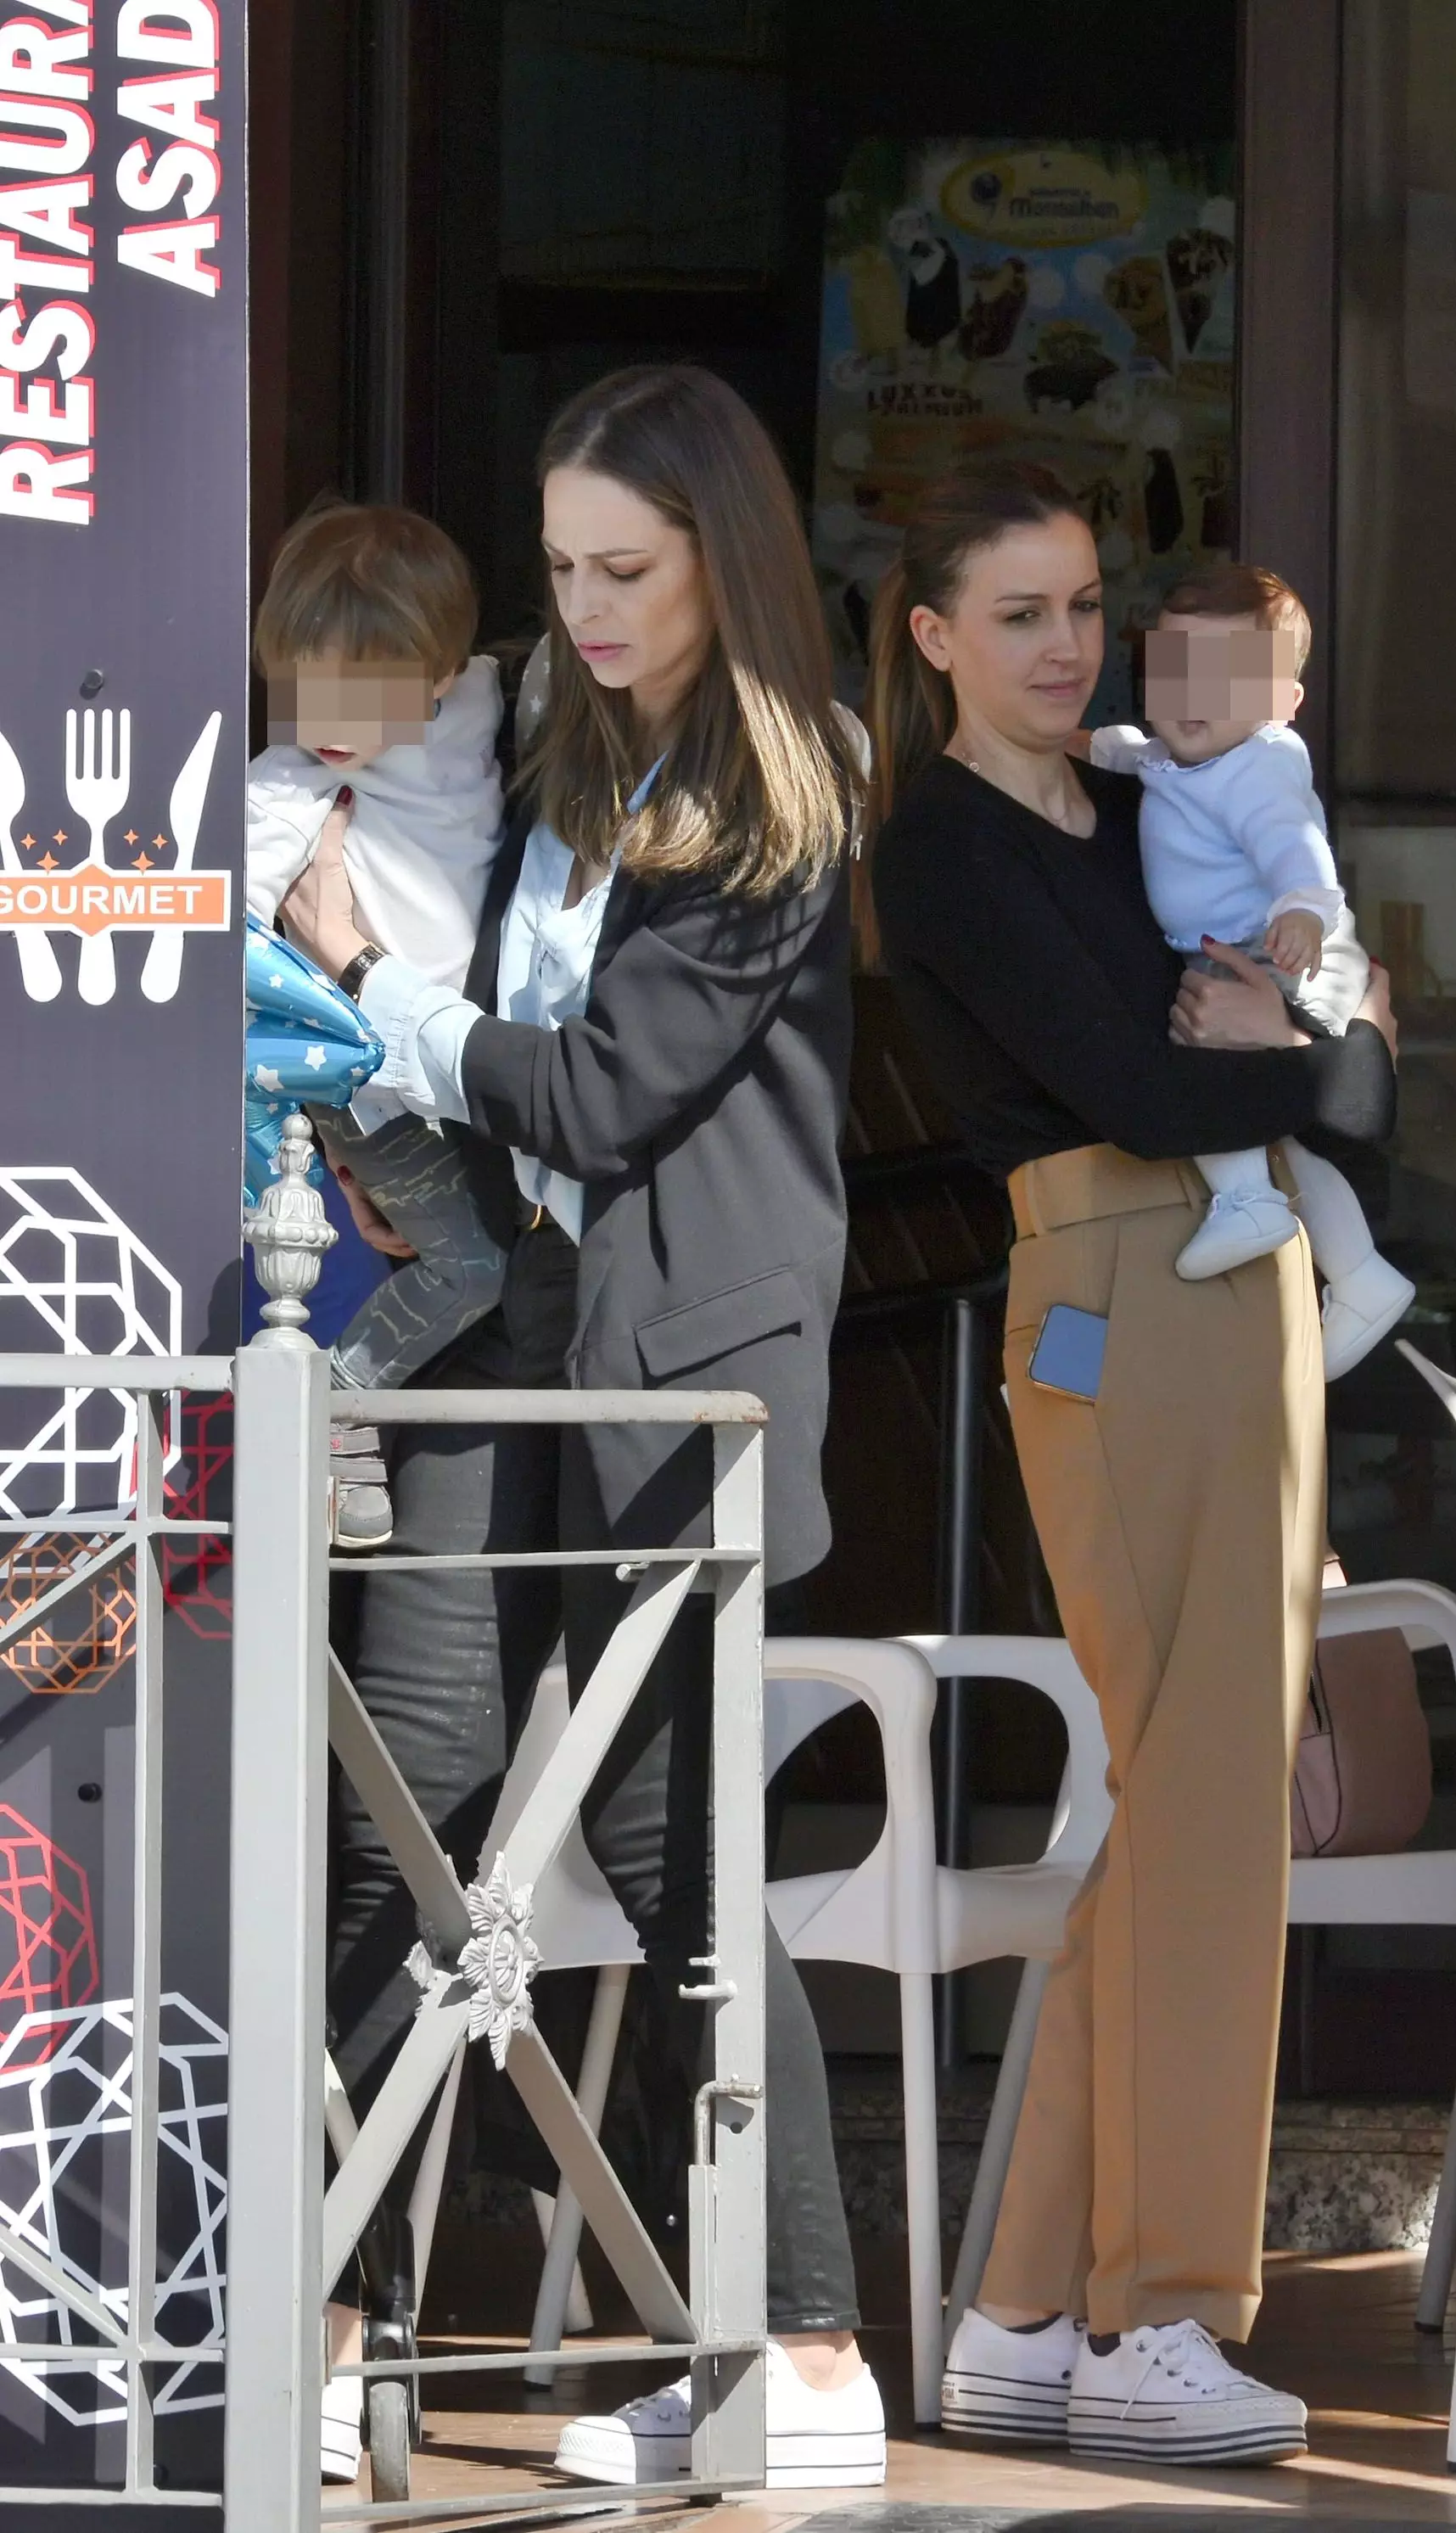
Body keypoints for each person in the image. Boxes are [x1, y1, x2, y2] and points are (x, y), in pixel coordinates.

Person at [281, 363, 887, 2493]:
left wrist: (367, 1001)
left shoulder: (786, 774)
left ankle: (798, 2347)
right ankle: (320, 2312)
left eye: (624, 568)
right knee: (406, 1794)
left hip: (682, 1375)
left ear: (723, 551)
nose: (588, 607)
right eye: (559, 568)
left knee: (675, 1855)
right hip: (499, 1337)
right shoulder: (543, 722)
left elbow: (607, 1092)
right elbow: (339, 723)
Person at [866, 455, 1397, 2468]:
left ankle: (1025, 2305)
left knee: (1181, 1794)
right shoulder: (943, 843)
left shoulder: (1113, 807)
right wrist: (1310, 1055)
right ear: (927, 637)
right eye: (1016, 613)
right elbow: (1142, 1073)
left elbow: (1294, 1003)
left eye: (1080, 606)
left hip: (1197, 1261)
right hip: (1118, 1265)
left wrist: (1298, 1040)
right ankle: (1155, 2309)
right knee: (1202, 1800)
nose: (1064, 646)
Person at [247, 502, 508, 1549]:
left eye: (370, 683)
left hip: (455, 1078)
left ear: (444, 675)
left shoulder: (489, 704)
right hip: (371, 1083)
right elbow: (215, 930)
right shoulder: (294, 787)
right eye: (306, 685)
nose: (333, 715)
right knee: (474, 1267)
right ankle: (329, 1412)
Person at [1078, 560, 1412, 1375]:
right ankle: (1361, 1274)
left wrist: (1300, 907)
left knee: (1209, 1062)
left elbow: (1291, 840)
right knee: (1291, 1138)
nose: (1194, 698)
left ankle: (1247, 1202)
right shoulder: (1171, 756)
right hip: (1252, 951)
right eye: (1176, 669)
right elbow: (1121, 751)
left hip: (1281, 945)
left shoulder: (1262, 761)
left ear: (1278, 705)